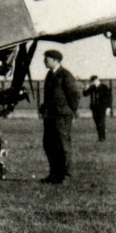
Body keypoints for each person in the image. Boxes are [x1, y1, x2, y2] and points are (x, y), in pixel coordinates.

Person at [38, 49, 80, 184]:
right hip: (50, 115)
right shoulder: (49, 75)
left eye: (47, 58)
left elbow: (74, 95)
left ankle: (66, 176)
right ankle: (54, 174)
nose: (44, 61)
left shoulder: (65, 75)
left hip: (62, 116)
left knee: (63, 145)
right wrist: (44, 107)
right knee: (49, 144)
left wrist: (71, 111)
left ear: (56, 60)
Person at [83, 74, 113, 142]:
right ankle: (100, 137)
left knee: (101, 122)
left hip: (102, 107)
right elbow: (85, 94)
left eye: (94, 81)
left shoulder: (104, 87)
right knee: (97, 122)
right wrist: (85, 88)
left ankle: (102, 138)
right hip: (94, 108)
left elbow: (109, 98)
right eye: (92, 81)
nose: (93, 82)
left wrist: (108, 107)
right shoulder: (92, 87)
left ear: (97, 80)